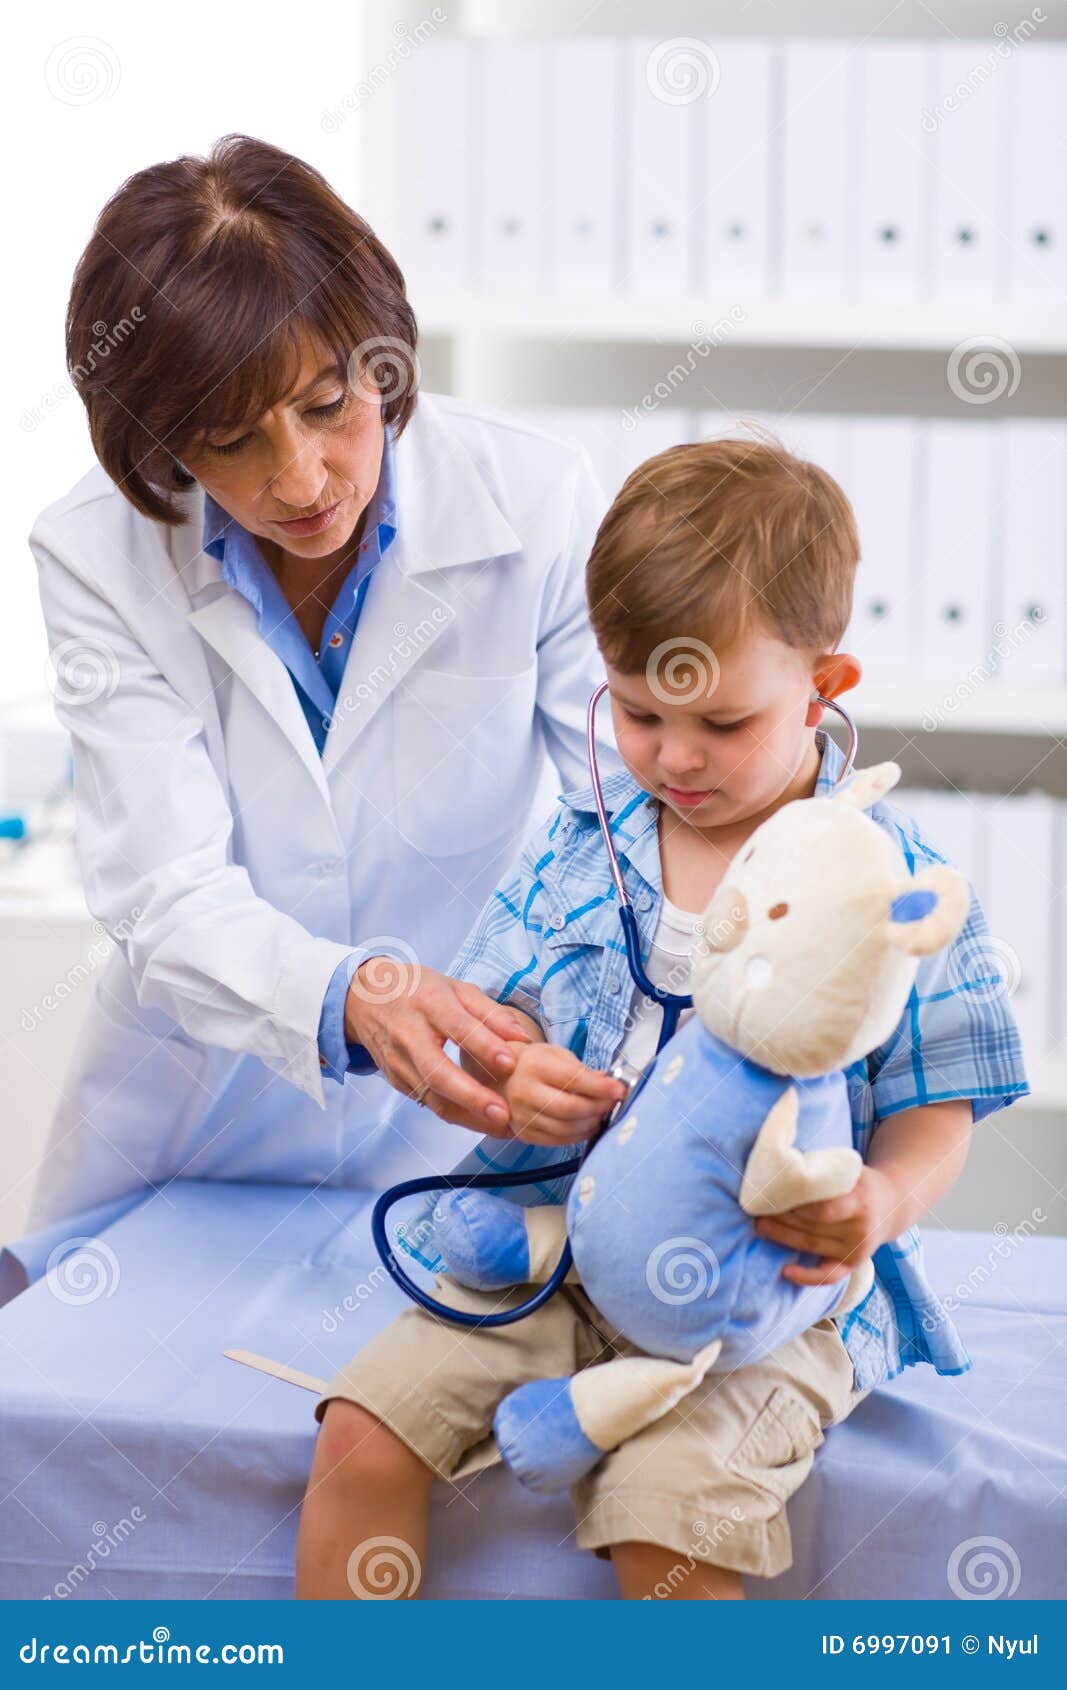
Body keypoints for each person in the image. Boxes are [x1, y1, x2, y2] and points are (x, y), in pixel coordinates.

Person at [295, 436, 1029, 1601]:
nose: (674, 759)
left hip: (760, 1303)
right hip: (552, 1247)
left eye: (724, 726)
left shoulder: (886, 884)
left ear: (822, 687)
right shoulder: (580, 846)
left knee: (666, 1517)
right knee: (355, 1436)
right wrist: (511, 1071)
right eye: (637, 713)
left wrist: (877, 1203)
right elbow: (486, 1021)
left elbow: (937, 1104)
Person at [24, 134, 618, 1233]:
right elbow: (165, 892)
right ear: (162, 447)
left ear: (380, 359)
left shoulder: (534, 502)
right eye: (230, 440)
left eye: (325, 404)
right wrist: (353, 995)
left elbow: (636, 810)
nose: (300, 480)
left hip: (465, 1121)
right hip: (188, 1135)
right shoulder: (96, 553)